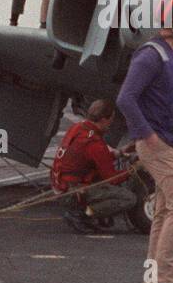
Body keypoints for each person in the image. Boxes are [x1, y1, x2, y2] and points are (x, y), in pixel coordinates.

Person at [116, 0, 173, 283]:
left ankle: (153, 279)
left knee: (166, 211)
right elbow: (126, 98)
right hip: (163, 144)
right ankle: (164, 282)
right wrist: (147, 135)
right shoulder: (152, 56)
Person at [51, 99, 137, 233]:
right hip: (72, 193)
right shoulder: (95, 144)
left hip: (61, 186)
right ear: (103, 119)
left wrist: (118, 153)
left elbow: (89, 155)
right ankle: (83, 214)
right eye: (110, 120)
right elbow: (112, 179)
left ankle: (85, 211)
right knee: (128, 198)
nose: (111, 124)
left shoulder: (78, 128)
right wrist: (133, 169)